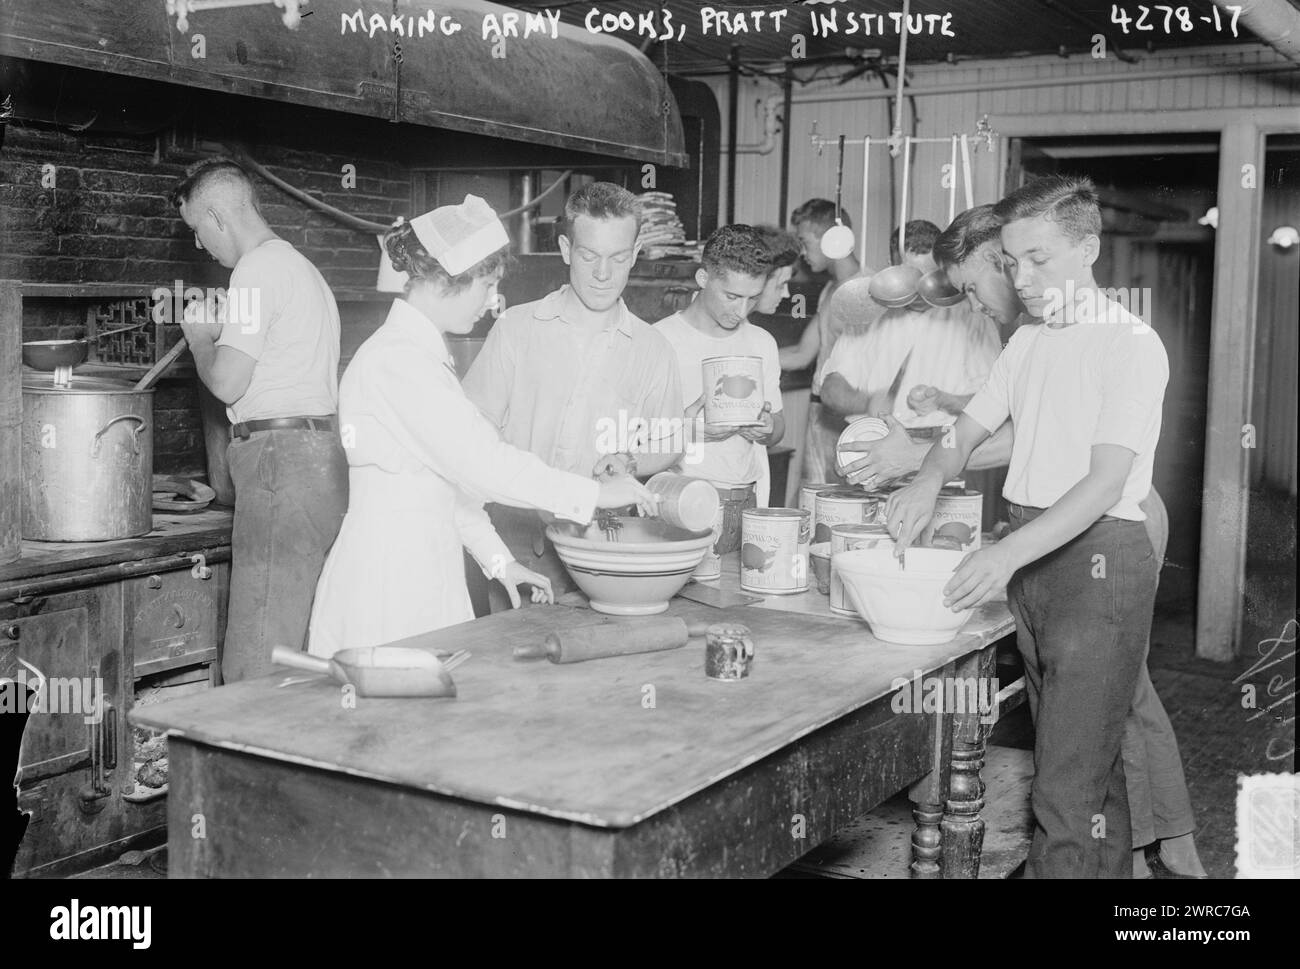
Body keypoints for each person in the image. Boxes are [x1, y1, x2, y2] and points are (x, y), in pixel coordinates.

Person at [887, 176, 1171, 878]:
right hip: (1037, 559)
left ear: (1088, 248)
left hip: (1098, 558)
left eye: (1040, 259)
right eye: (1013, 262)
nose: (1026, 278)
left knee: (1061, 795)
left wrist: (1007, 553)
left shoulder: (1130, 344)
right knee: (1088, 773)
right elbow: (965, 428)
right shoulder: (1029, 344)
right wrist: (928, 476)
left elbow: (1104, 481)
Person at [308, 198, 656, 656]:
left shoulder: (421, 357)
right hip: (388, 579)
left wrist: (500, 562)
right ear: (447, 279)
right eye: (487, 284)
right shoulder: (397, 361)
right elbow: (483, 465)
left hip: (423, 568)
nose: (492, 300)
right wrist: (593, 496)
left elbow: (448, 487)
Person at [463, 182, 682, 611]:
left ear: (635, 254)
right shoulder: (516, 329)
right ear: (566, 249)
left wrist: (631, 462)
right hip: (518, 538)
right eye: (588, 256)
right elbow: (470, 438)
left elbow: (671, 444)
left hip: (606, 544)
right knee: (515, 667)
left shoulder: (654, 350)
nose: (603, 273)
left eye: (618, 258)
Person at [173, 158, 348, 683]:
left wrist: (200, 335)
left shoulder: (254, 271)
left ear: (218, 218)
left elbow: (228, 384)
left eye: (198, 232)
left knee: (259, 642)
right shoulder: (301, 269)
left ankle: (245, 761)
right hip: (320, 461)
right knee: (299, 640)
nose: (200, 246)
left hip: (279, 465)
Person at [654, 225, 785, 533]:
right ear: (703, 279)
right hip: (678, 500)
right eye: (732, 296)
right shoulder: (659, 341)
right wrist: (689, 430)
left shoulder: (762, 342)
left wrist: (767, 429)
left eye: (753, 298)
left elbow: (779, 428)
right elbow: (627, 432)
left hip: (744, 502)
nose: (741, 311)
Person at [777, 200, 861, 488]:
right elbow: (803, 353)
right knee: (814, 501)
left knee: (843, 506)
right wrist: (742, 354)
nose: (801, 252)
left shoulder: (866, 288)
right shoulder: (830, 288)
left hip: (848, 415)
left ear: (833, 238)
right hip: (820, 411)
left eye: (804, 241)